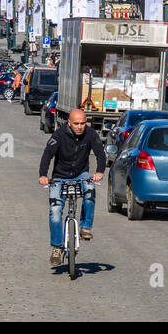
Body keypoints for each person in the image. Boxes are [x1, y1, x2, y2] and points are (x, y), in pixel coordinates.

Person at [38, 109, 106, 268]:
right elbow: (47, 154)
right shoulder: (59, 135)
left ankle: (85, 227)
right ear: (69, 123)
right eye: (76, 124)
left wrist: (99, 171)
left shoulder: (91, 134)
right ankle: (57, 247)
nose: (80, 127)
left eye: (83, 123)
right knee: (55, 210)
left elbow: (100, 154)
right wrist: (43, 175)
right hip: (60, 177)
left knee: (90, 189)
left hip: (81, 174)